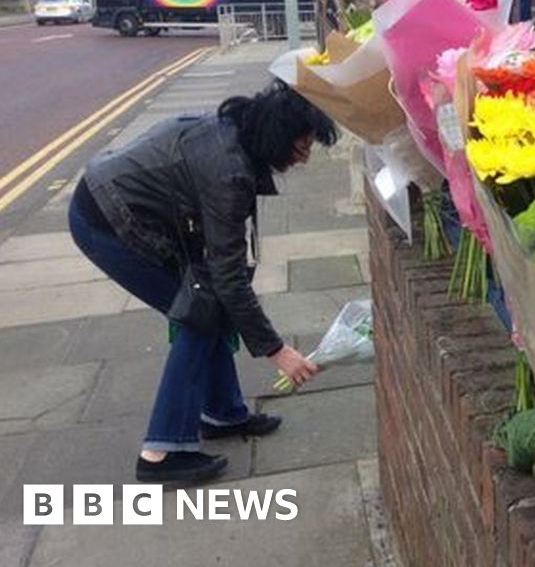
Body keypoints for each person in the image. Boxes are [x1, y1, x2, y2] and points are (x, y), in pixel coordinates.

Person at [68, 80, 337, 483]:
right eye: (301, 148)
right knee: (198, 315)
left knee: (208, 305)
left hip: (132, 210)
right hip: (106, 222)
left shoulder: (235, 134)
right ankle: (161, 452)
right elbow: (228, 278)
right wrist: (278, 351)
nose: (304, 159)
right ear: (276, 137)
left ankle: (223, 413)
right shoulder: (229, 174)